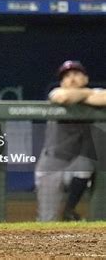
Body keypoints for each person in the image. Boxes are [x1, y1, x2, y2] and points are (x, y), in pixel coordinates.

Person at [35, 61, 106, 221]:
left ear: (86, 79)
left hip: (78, 163)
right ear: (62, 82)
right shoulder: (56, 91)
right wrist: (88, 95)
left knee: (88, 159)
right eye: (67, 76)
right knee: (47, 220)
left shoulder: (96, 92)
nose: (72, 78)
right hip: (52, 164)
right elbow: (63, 97)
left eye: (76, 74)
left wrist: (82, 95)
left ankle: (69, 209)